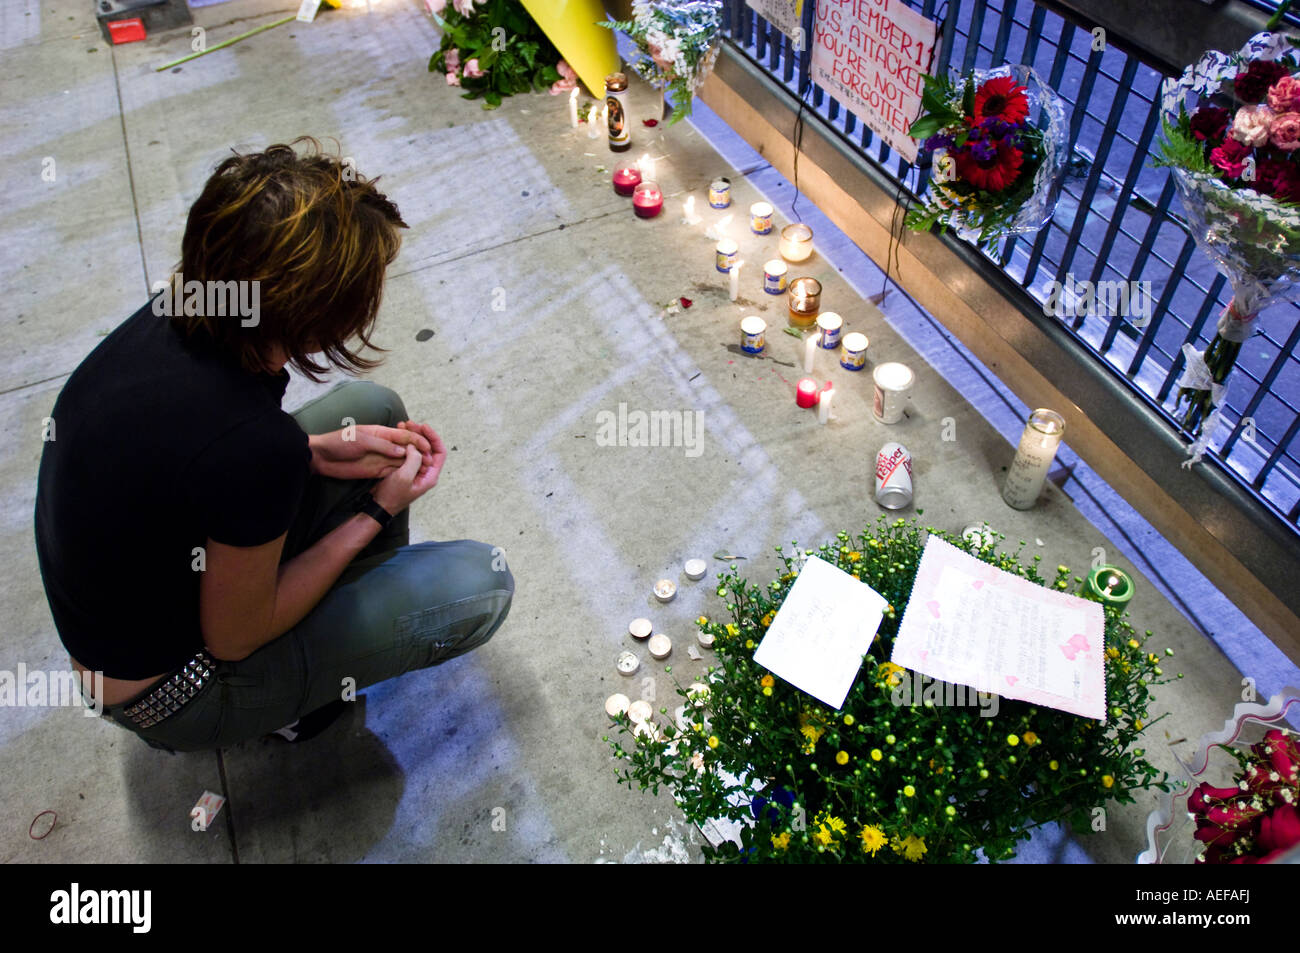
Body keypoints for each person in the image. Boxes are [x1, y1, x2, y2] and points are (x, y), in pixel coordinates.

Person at [33, 138, 514, 752]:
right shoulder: (252, 447)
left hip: (140, 606)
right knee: (482, 583)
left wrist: (310, 450)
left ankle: (337, 618)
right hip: (171, 691)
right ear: (316, 314)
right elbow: (234, 636)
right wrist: (377, 509)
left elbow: (188, 461)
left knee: (374, 411)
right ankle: (285, 698)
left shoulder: (184, 308)